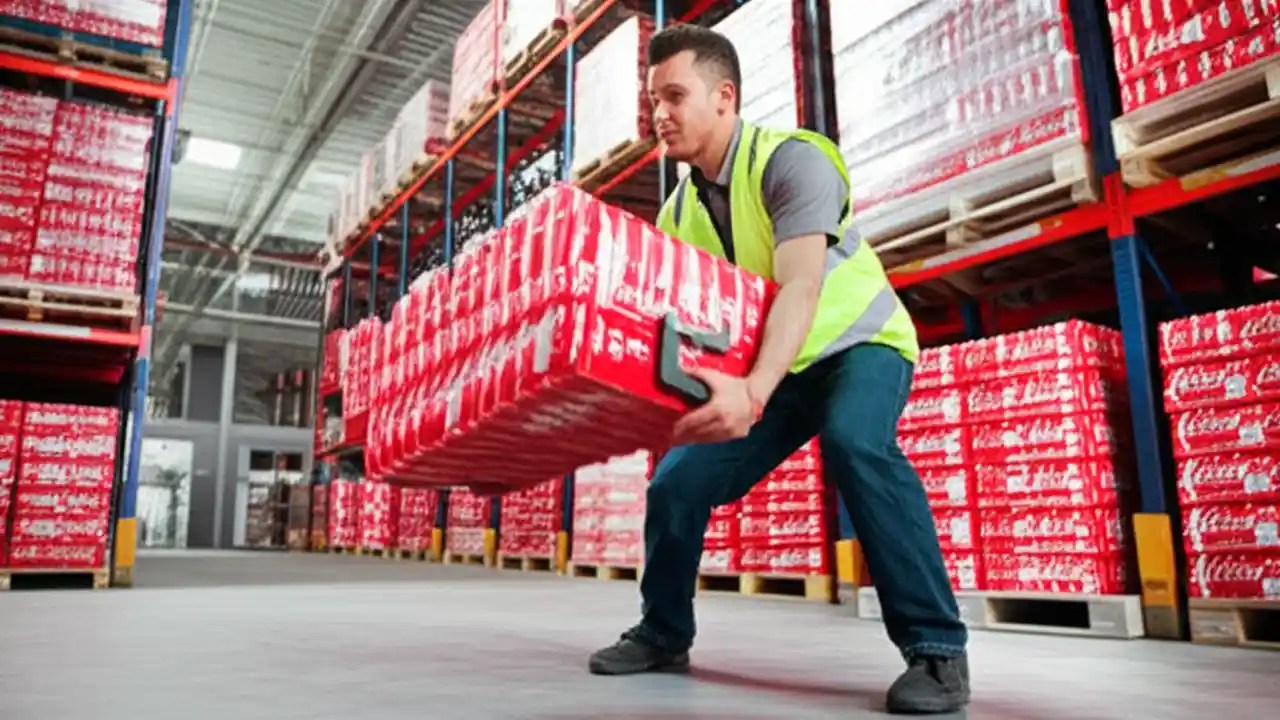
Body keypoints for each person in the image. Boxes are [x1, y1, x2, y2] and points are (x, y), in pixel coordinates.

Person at [586, 24, 971, 715]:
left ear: (724, 97)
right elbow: (681, 329)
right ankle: (664, 630)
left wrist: (754, 393)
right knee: (674, 484)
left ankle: (938, 652)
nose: (659, 115)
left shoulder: (791, 163)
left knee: (858, 444)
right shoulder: (678, 214)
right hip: (778, 371)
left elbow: (800, 287)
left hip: (859, 345)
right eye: (652, 101)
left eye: (675, 96)